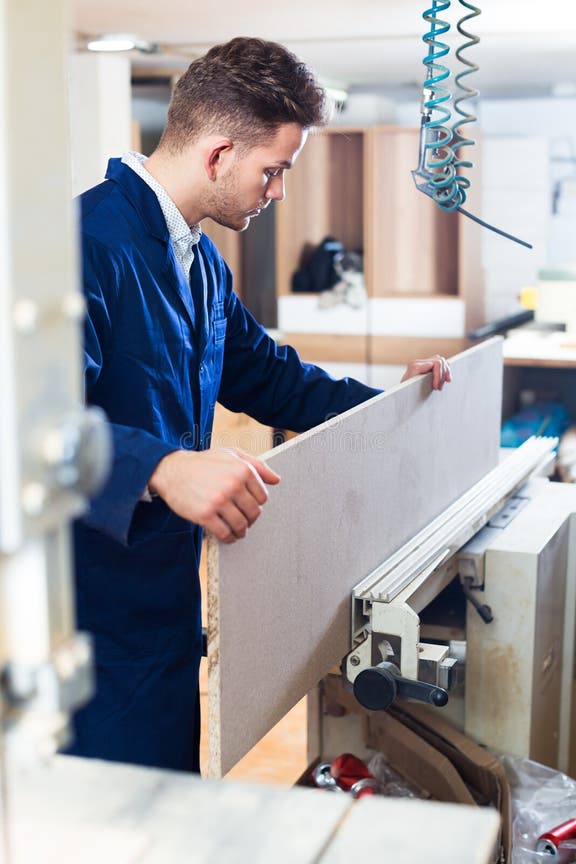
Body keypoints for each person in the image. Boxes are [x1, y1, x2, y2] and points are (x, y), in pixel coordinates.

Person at [69, 36, 452, 773]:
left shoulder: (201, 263)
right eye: (273, 171)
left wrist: (392, 407)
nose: (277, 193)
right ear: (217, 155)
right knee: (112, 816)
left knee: (164, 800)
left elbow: (276, 380)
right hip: (96, 613)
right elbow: (30, 422)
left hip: (169, 603)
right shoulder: (87, 244)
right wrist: (162, 467)